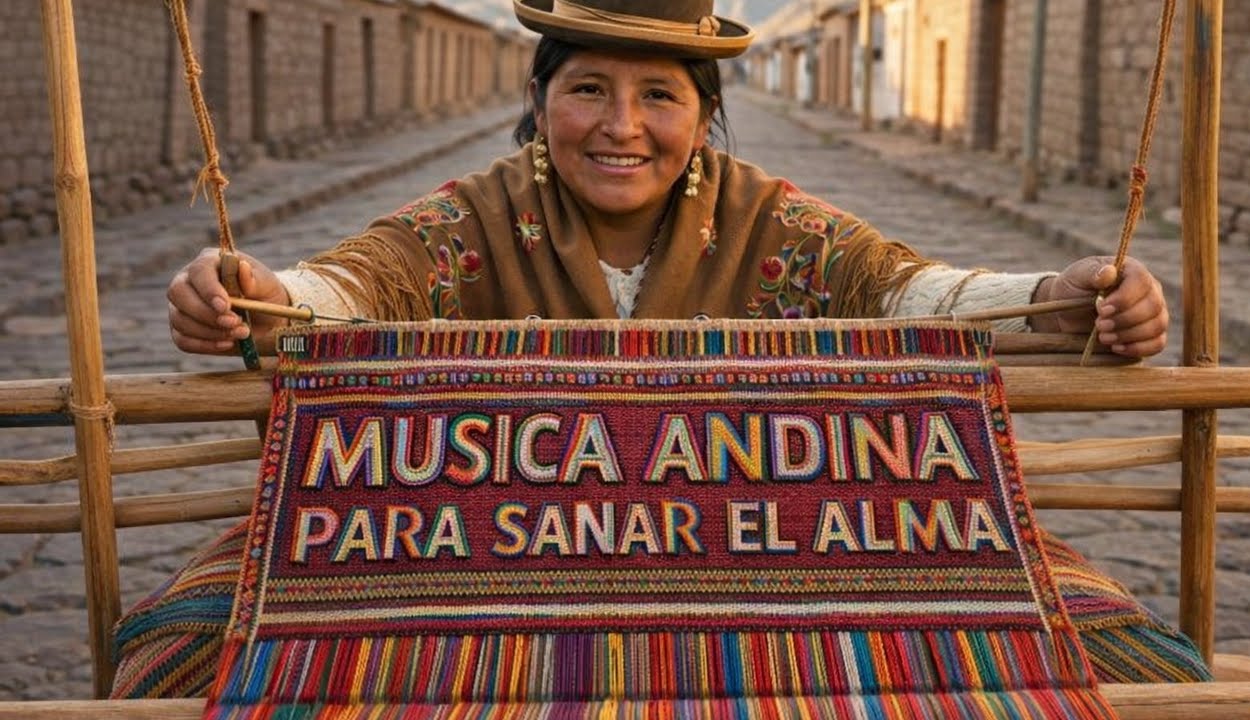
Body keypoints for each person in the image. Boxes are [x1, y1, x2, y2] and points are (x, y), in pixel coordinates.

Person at [115, 0, 1194, 700]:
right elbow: (347, 289)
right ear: (538, 103)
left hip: (754, 568)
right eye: (587, 88)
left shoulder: (773, 221)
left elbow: (908, 290)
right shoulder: (472, 218)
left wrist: (1060, 299)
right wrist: (254, 298)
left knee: (1116, 662)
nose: (619, 125)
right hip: (484, 577)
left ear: (704, 116)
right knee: (181, 657)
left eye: (658, 96)